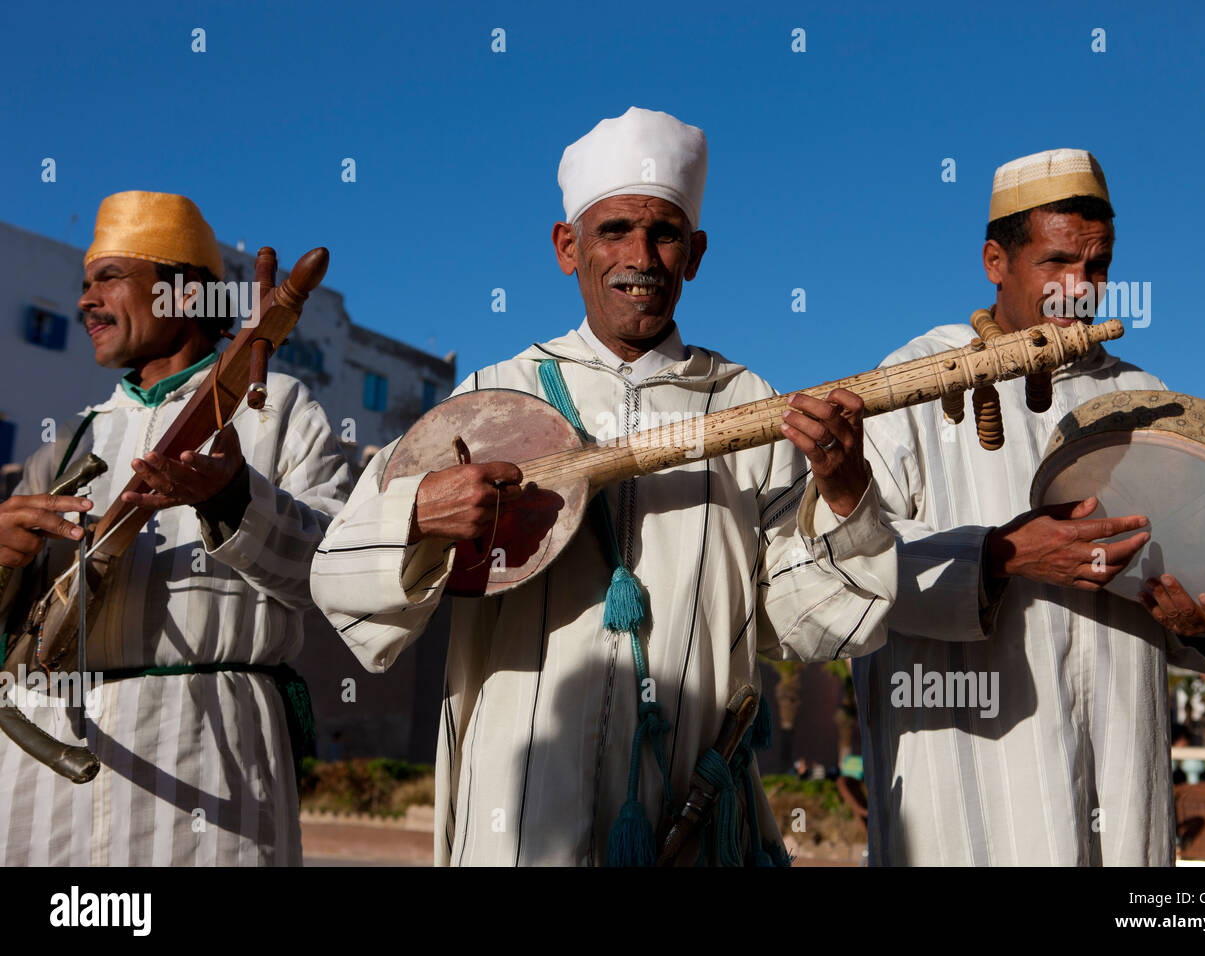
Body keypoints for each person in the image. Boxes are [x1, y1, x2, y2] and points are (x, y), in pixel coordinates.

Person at [311, 107, 897, 866]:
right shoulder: (493, 395)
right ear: (567, 247)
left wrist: (847, 499)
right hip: (519, 808)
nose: (641, 256)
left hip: (695, 806)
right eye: (615, 229)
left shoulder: (751, 406)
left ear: (696, 254)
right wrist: (419, 514)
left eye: (664, 234)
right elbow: (337, 579)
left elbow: (815, 627)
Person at [852, 149, 1205, 866]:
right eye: (1058, 263)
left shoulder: (1147, 401)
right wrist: (998, 558)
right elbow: (845, 568)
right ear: (994, 261)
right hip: (966, 786)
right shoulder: (910, 384)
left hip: (1124, 782)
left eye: (1097, 268)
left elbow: (1195, 570)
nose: (1081, 291)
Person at [0, 191, 352, 865]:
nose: (85, 301)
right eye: (82, 284)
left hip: (206, 756)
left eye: (109, 278)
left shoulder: (275, 413)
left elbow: (339, 573)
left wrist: (234, 504)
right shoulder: (64, 447)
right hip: (38, 770)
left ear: (184, 297)